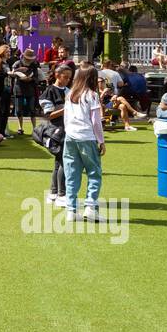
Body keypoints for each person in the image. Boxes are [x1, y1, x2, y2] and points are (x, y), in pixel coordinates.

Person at [62, 66, 106, 222]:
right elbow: (96, 122)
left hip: (71, 136)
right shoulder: (92, 95)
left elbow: (66, 117)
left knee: (72, 173)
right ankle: (90, 207)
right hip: (86, 137)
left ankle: (71, 210)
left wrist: (69, 131)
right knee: (94, 173)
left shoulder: (70, 94)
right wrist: (101, 140)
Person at [38, 63, 74, 206]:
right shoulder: (48, 92)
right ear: (57, 75)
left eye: (69, 78)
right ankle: (61, 194)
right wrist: (66, 108)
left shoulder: (68, 90)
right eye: (65, 77)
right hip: (56, 131)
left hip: (67, 128)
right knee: (64, 161)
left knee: (59, 163)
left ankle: (53, 193)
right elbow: (49, 115)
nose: (67, 80)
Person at [11, 47, 41, 135]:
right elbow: (13, 74)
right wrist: (18, 75)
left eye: (30, 59)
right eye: (27, 58)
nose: (29, 60)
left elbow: (36, 77)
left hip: (30, 89)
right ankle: (20, 128)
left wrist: (30, 79)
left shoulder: (34, 65)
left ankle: (34, 129)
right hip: (19, 88)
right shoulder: (17, 64)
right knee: (19, 109)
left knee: (32, 109)